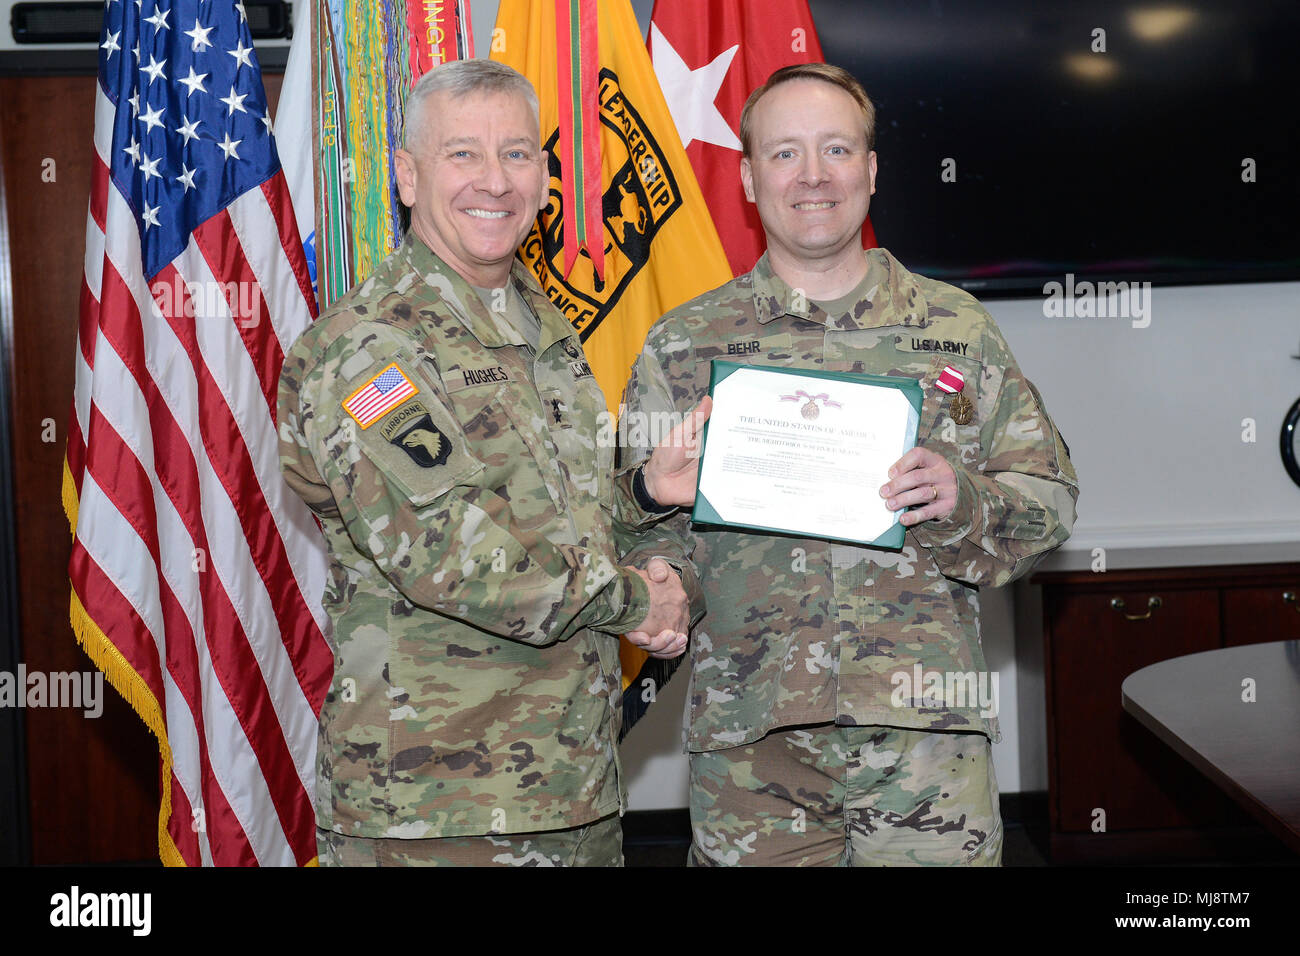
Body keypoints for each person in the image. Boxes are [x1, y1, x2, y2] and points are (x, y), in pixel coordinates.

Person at [617, 63, 1079, 866]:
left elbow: (1051, 503)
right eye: (786, 153)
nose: (814, 176)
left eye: (837, 149)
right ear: (749, 177)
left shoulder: (957, 328)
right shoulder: (684, 344)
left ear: (870, 169)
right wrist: (660, 590)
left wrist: (960, 498)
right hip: (751, 749)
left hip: (926, 749)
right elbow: (639, 527)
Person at [278, 59, 699, 867]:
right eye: (462, 154)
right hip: (436, 811)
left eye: (516, 154)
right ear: (408, 175)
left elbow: (549, 522)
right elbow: (451, 554)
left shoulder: (543, 328)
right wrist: (634, 599)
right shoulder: (368, 349)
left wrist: (643, 492)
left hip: (569, 785)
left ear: (545, 176)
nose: (494, 181)